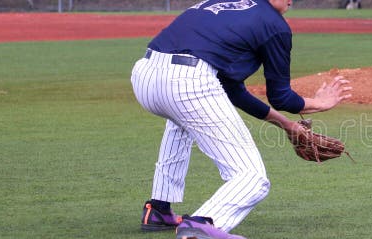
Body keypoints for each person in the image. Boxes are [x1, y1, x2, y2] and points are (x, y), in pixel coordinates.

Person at [129, 0, 352, 238]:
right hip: (187, 82)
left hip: (144, 75)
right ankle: (201, 225)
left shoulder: (222, 4)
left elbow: (231, 89)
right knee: (253, 177)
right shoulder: (274, 24)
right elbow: (281, 97)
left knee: (180, 120)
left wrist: (287, 125)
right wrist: (320, 102)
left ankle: (159, 209)